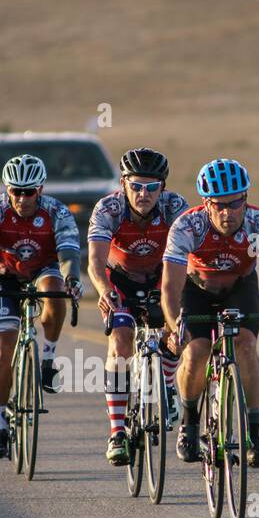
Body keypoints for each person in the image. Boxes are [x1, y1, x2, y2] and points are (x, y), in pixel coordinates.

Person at [160, 158, 259, 468]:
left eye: (234, 204)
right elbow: (169, 287)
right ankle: (190, 424)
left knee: (246, 347)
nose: (227, 213)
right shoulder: (186, 226)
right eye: (218, 205)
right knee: (196, 353)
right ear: (206, 204)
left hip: (239, 287)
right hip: (196, 290)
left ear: (245, 198)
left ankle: (254, 436)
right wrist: (175, 325)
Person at [0, 154, 83, 459]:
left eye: (29, 191)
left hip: (41, 269)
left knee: (54, 289)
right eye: (15, 191)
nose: (22, 199)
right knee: (3, 347)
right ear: (7, 189)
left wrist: (72, 278)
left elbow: (69, 250)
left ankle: (47, 359)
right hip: (5, 275)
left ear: (41, 189)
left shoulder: (56, 211)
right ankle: (0, 425)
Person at [86, 148, 188, 465]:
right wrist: (104, 290)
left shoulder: (175, 208)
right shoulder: (109, 208)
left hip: (162, 278)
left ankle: (168, 383)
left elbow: (190, 258)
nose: (143, 194)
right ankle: (117, 432)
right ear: (123, 183)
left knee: (175, 333)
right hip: (120, 280)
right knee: (119, 343)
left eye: (151, 187)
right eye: (136, 185)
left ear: (163, 187)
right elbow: (94, 261)